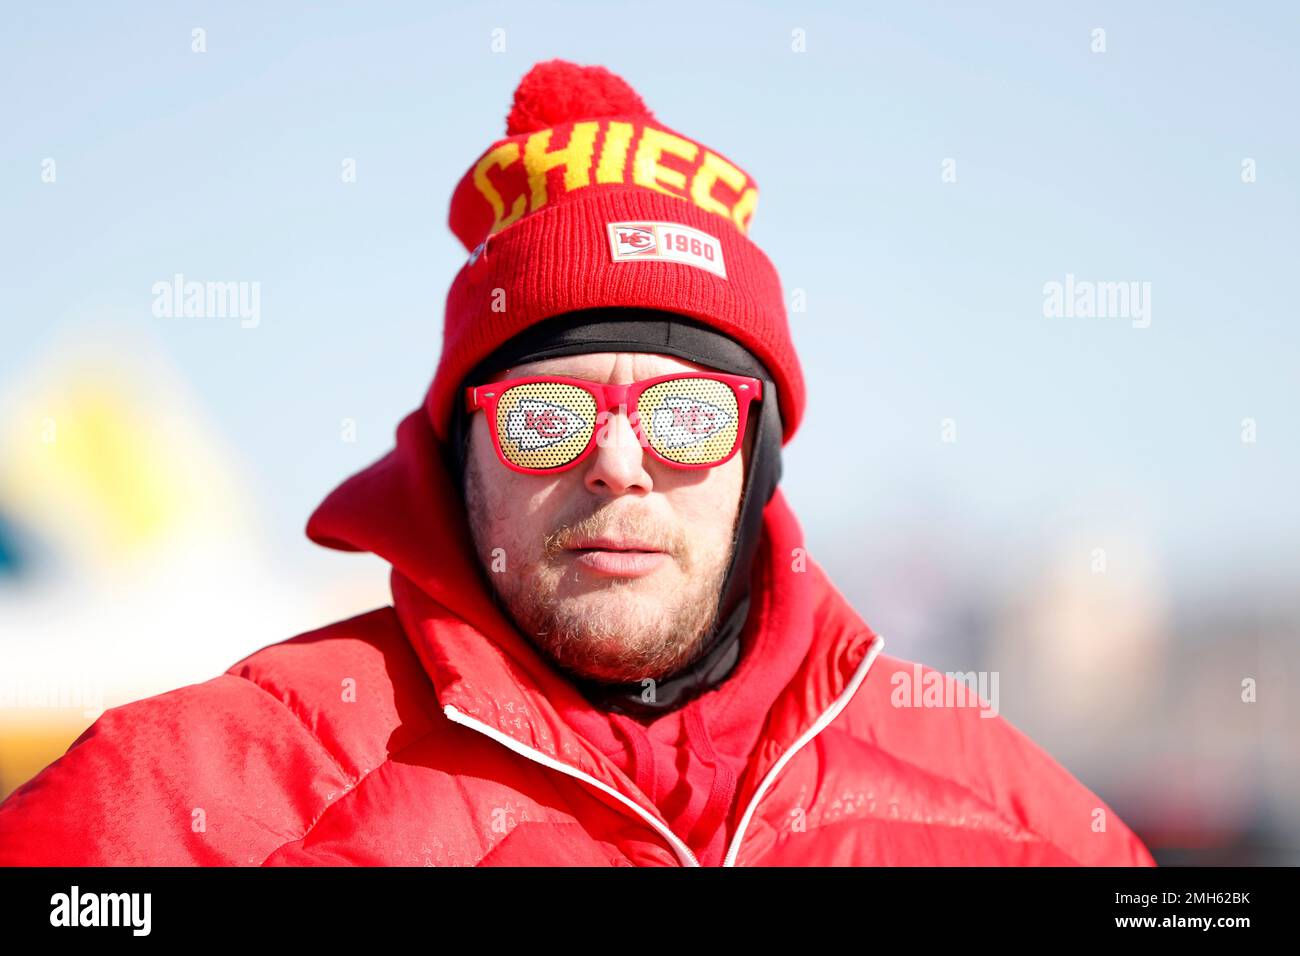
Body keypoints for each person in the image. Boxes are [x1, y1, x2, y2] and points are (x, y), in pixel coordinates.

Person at [0, 59, 1154, 867]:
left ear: (755, 461)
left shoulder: (1019, 821)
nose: (618, 462)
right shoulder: (189, 799)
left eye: (688, 416)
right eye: (548, 414)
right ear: (457, 452)